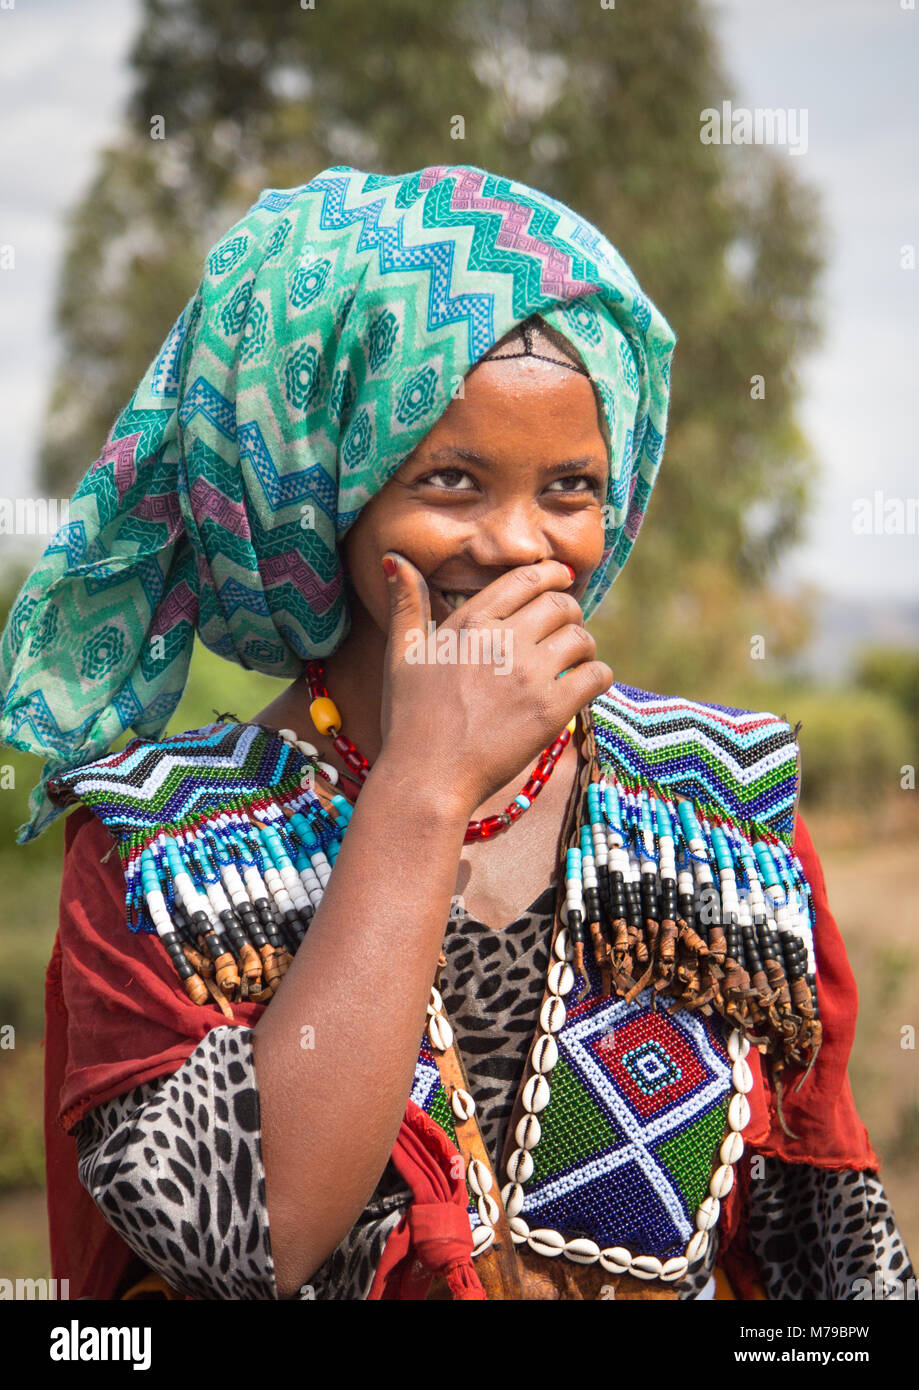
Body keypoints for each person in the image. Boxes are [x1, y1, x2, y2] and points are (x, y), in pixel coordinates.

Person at [0, 165, 911, 1302]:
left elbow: (829, 1255)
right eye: (450, 478)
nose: (523, 543)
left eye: (571, 486)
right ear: (323, 488)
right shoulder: (161, 846)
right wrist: (425, 790)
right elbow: (242, 1242)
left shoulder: (721, 811)